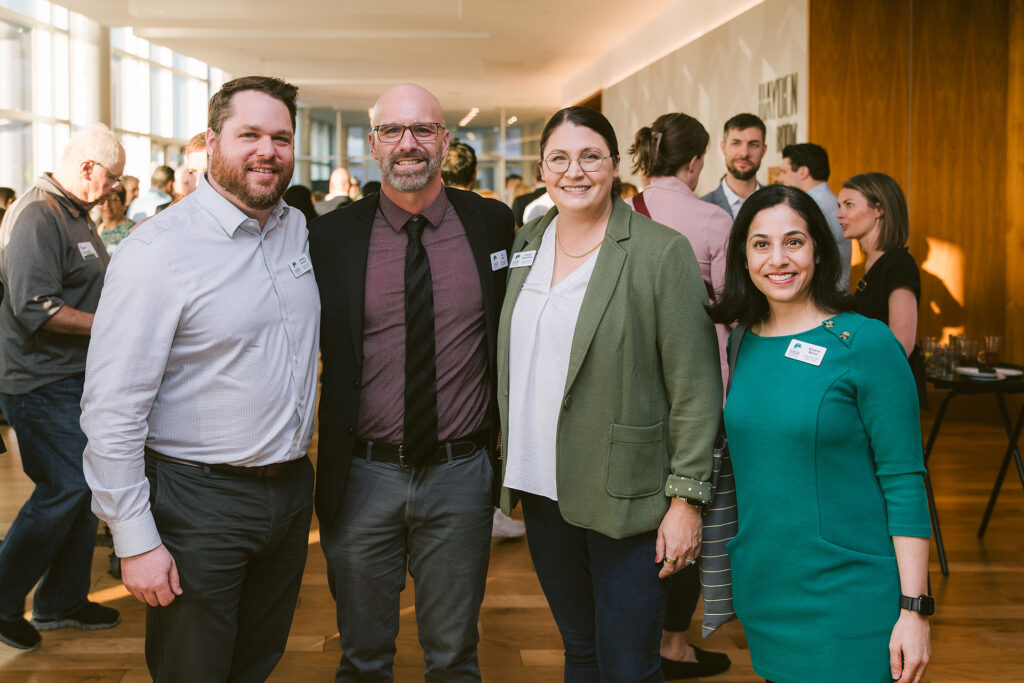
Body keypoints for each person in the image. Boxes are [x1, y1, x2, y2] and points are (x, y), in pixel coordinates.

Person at [81, 75, 319, 682]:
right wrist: (134, 540)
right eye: (250, 135)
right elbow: (111, 410)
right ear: (212, 143)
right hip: (199, 501)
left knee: (256, 661)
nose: (268, 150)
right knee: (194, 669)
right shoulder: (157, 250)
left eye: (281, 137)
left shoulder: (295, 228)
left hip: (290, 492)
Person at [498, 106, 722, 681]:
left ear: (616, 165)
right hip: (544, 484)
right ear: (543, 170)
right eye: (560, 159)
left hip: (627, 491)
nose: (575, 171)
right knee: (581, 650)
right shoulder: (528, 239)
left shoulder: (658, 251)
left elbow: (696, 387)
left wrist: (686, 499)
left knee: (628, 665)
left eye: (591, 156)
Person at [309, 83, 514, 681]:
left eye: (423, 129)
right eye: (393, 131)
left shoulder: (492, 225)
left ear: (445, 141)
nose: (408, 144)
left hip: (460, 476)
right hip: (363, 476)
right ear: (373, 144)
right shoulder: (333, 237)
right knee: (363, 656)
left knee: (454, 656)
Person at [710, 184, 932, 683]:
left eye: (794, 241)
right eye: (761, 244)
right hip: (767, 586)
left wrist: (914, 609)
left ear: (819, 249)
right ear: (743, 257)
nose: (778, 259)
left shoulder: (865, 343)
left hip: (848, 594)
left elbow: (904, 480)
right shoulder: (743, 341)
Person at [0, 123, 125, 652]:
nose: (118, 188)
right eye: (114, 177)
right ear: (87, 169)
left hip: (70, 376)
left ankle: (59, 602)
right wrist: (111, 325)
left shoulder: (74, 213)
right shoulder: (36, 215)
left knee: (82, 488)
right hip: (38, 380)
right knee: (66, 486)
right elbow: (37, 307)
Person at [626, 111, 732, 679]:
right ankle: (673, 643)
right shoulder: (713, 220)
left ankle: (632, 638)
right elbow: (735, 304)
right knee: (689, 513)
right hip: (699, 387)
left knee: (638, 514)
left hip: (633, 387)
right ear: (694, 162)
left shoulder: (622, 212)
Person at [777, 142, 851, 289]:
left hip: (824, 300)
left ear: (803, 172)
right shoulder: (831, 201)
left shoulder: (815, 207)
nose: (780, 179)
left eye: (784, 172)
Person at [701, 113, 766, 218]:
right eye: (736, 143)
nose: (744, 153)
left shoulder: (778, 205)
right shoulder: (702, 208)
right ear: (723, 147)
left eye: (753, 145)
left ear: (763, 150)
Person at [96, 185, 135, 253]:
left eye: (114, 200)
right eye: (103, 199)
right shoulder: (97, 229)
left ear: (123, 203)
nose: (107, 205)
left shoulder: (132, 230)